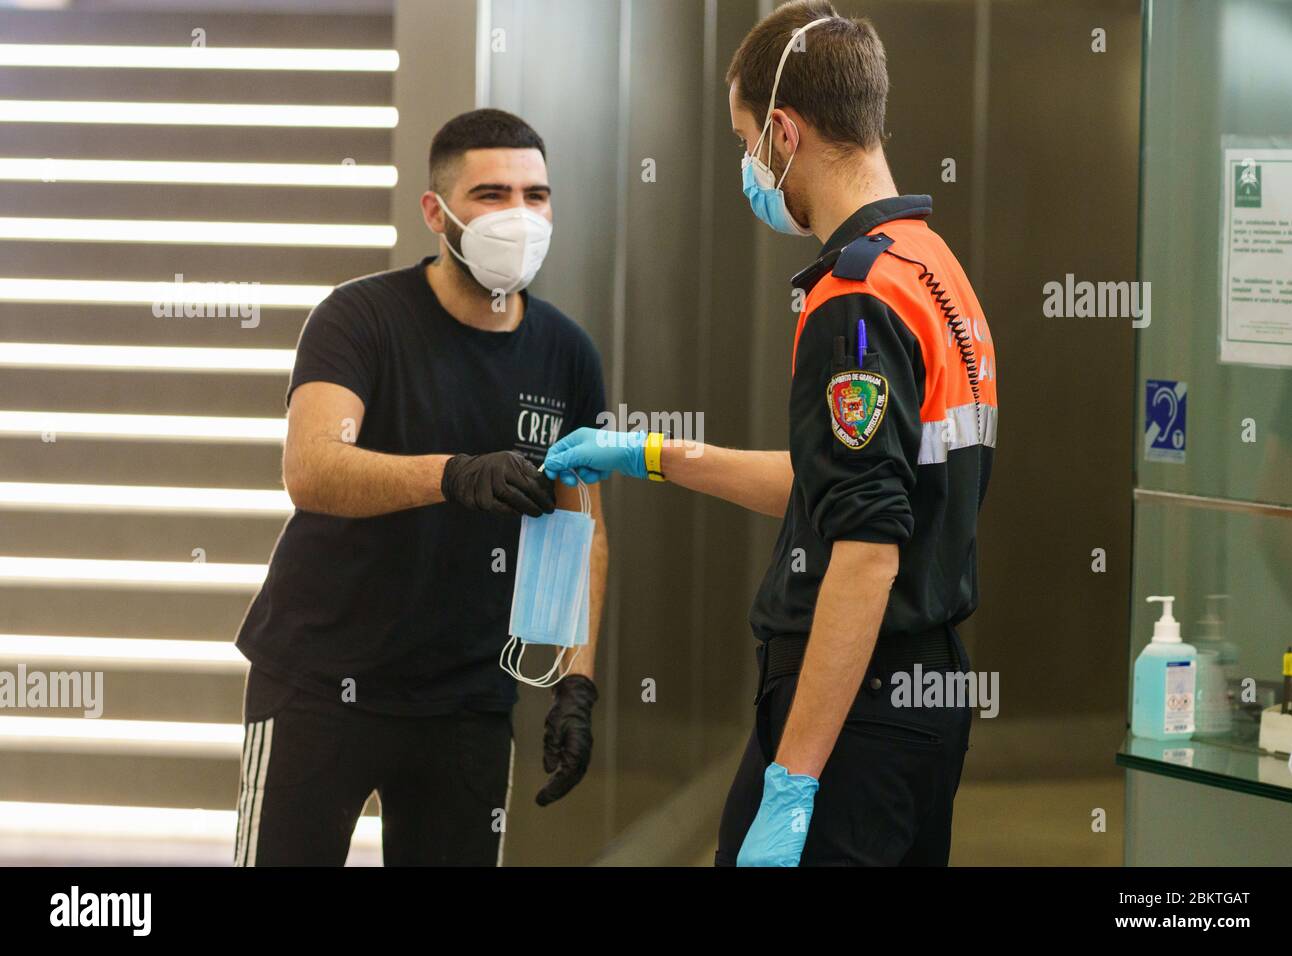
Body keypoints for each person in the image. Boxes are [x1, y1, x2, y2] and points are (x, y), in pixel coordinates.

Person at [544, 0, 997, 866]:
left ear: (784, 133)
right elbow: (850, 484)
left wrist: (794, 780)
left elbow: (866, 550)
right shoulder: (932, 271)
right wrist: (655, 456)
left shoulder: (855, 300)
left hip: (849, 714)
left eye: (745, 139)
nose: (747, 165)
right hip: (919, 696)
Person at [232, 109, 608, 866]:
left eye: (536, 196)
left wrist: (577, 687)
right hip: (318, 679)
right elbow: (311, 468)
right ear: (437, 213)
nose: (519, 216)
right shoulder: (359, 318)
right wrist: (456, 475)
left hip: (467, 699)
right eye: (492, 194)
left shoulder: (566, 353)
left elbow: (582, 528)